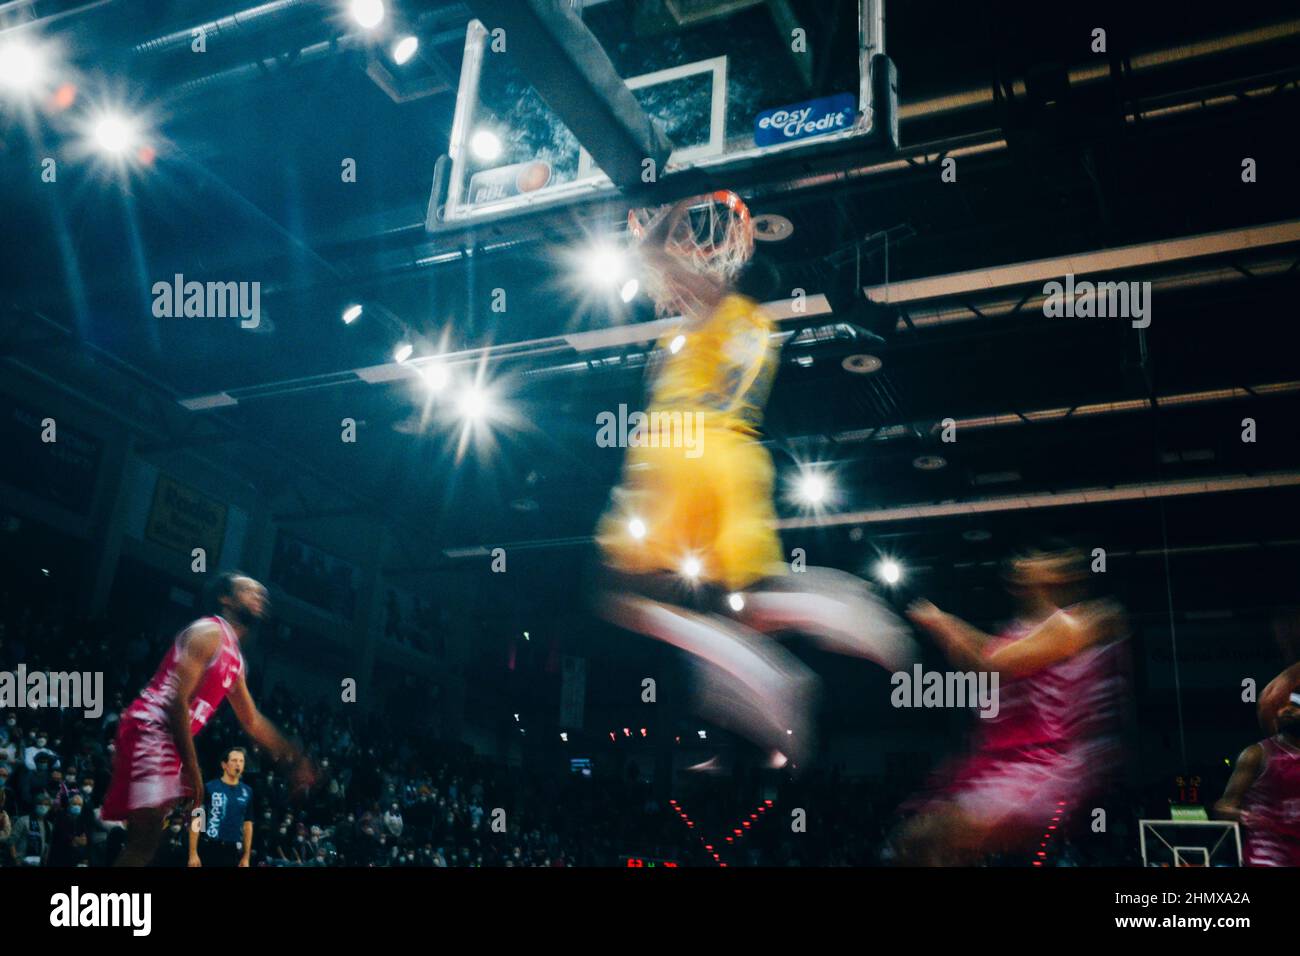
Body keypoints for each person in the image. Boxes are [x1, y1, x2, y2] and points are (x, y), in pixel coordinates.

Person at [594, 192, 914, 769]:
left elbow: (650, 253)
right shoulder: (754, 327)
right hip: (736, 458)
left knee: (621, 594)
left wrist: (670, 199)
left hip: (677, 452)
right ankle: (834, 618)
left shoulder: (717, 308)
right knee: (749, 600)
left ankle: (763, 674)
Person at [897, 542, 1129, 865]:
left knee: (931, 837)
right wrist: (947, 624)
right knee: (917, 840)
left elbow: (986, 663)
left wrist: (943, 624)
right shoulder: (1019, 630)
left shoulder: (1067, 627)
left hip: (1046, 764)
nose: (1024, 560)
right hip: (1002, 758)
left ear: (1057, 576)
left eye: (1039, 557)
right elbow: (985, 653)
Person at [101, 572, 315, 865]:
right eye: (248, 590)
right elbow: (177, 702)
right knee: (146, 837)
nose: (259, 596)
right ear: (225, 599)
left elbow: (252, 721)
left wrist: (294, 756)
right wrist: (192, 766)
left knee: (147, 838)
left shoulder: (235, 659)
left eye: (261, 593)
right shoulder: (208, 632)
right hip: (152, 728)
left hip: (167, 739)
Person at [1215, 684, 1300, 866]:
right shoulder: (1256, 754)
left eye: (1295, 705)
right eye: (1283, 706)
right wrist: (1246, 815)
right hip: (1267, 855)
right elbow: (1222, 807)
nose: (1287, 710)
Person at [189, 746, 255, 867]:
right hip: (210, 846)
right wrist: (193, 853)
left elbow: (248, 825)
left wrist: (246, 856)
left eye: (241, 761)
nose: (238, 764)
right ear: (224, 765)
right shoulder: (208, 787)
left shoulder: (248, 791)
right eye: (234, 760)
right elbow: (196, 820)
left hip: (233, 849)